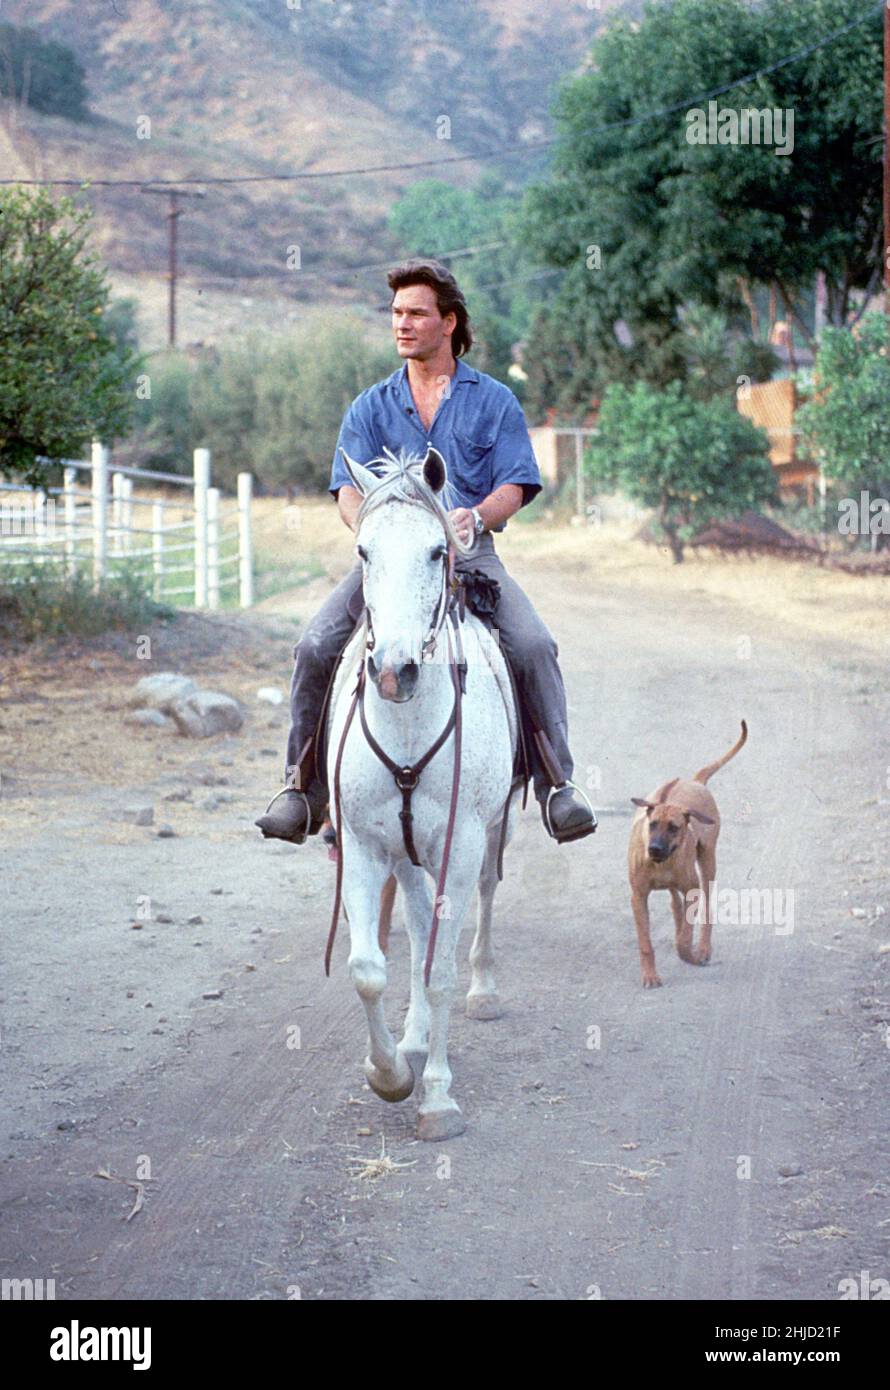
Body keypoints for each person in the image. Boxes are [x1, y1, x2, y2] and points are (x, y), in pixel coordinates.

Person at [255, 258, 596, 845]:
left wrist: (476, 515)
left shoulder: (494, 401)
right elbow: (346, 490)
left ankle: (557, 786)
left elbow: (516, 484)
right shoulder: (369, 406)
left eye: (416, 313)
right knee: (314, 646)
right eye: (396, 314)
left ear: (449, 322)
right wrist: (374, 531)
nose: (402, 325)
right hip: (393, 563)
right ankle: (303, 788)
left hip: (470, 555)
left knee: (535, 645)